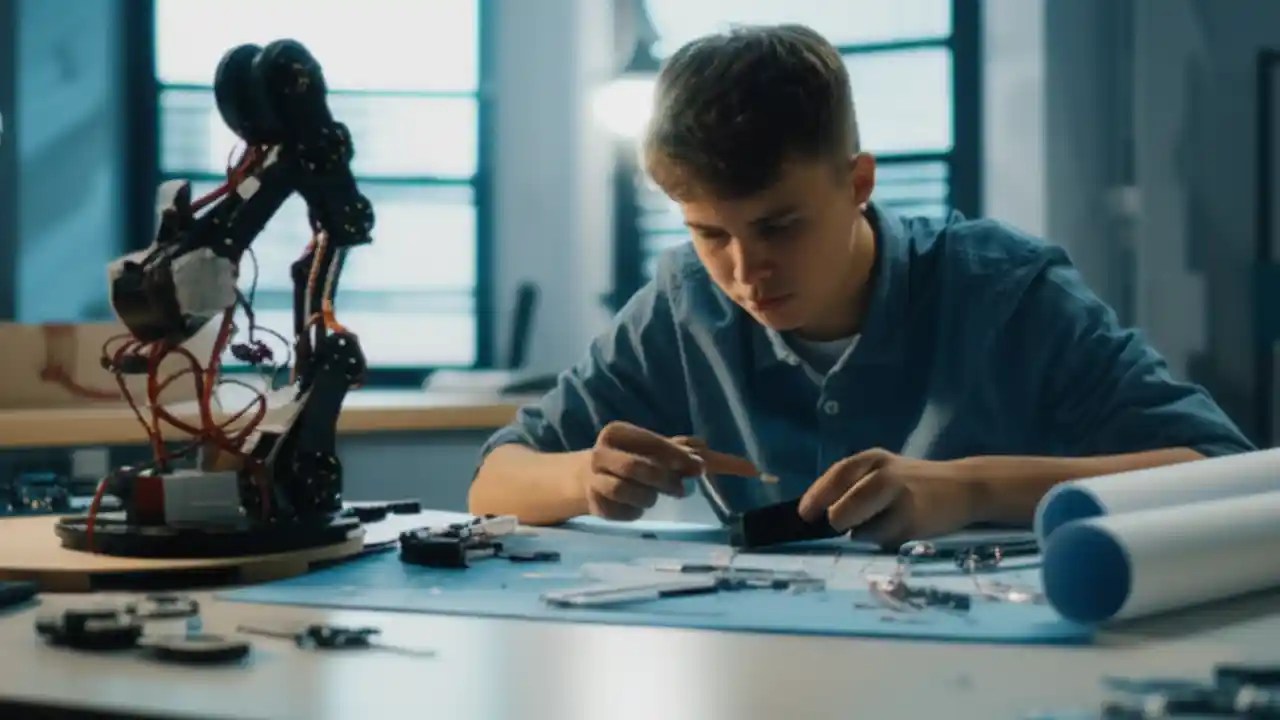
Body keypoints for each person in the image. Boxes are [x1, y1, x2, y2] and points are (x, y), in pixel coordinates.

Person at [468, 23, 1254, 547]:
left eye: (779, 226)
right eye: (709, 233)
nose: (744, 273)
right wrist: (585, 476)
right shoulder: (680, 305)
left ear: (859, 184)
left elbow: (1222, 472)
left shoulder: (1007, 292)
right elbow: (493, 482)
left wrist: (969, 489)